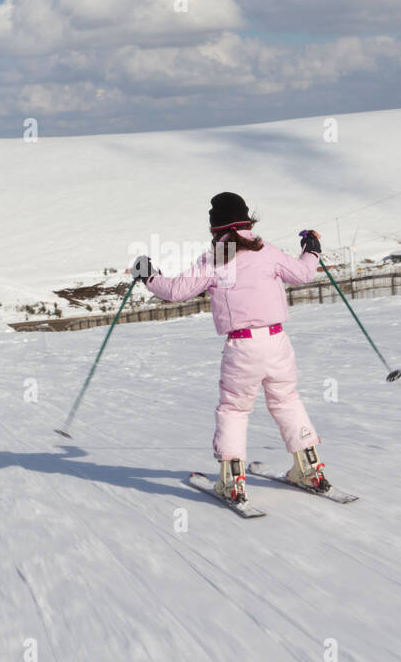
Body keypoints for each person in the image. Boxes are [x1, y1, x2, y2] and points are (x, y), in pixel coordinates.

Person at [130, 191, 327, 503]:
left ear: (215, 228)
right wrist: (312, 249)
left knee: (234, 409)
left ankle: (232, 481)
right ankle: (310, 468)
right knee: (287, 400)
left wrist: (149, 275)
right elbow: (303, 273)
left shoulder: (216, 259)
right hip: (278, 341)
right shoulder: (267, 250)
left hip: (243, 346)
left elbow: (177, 291)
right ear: (247, 221)